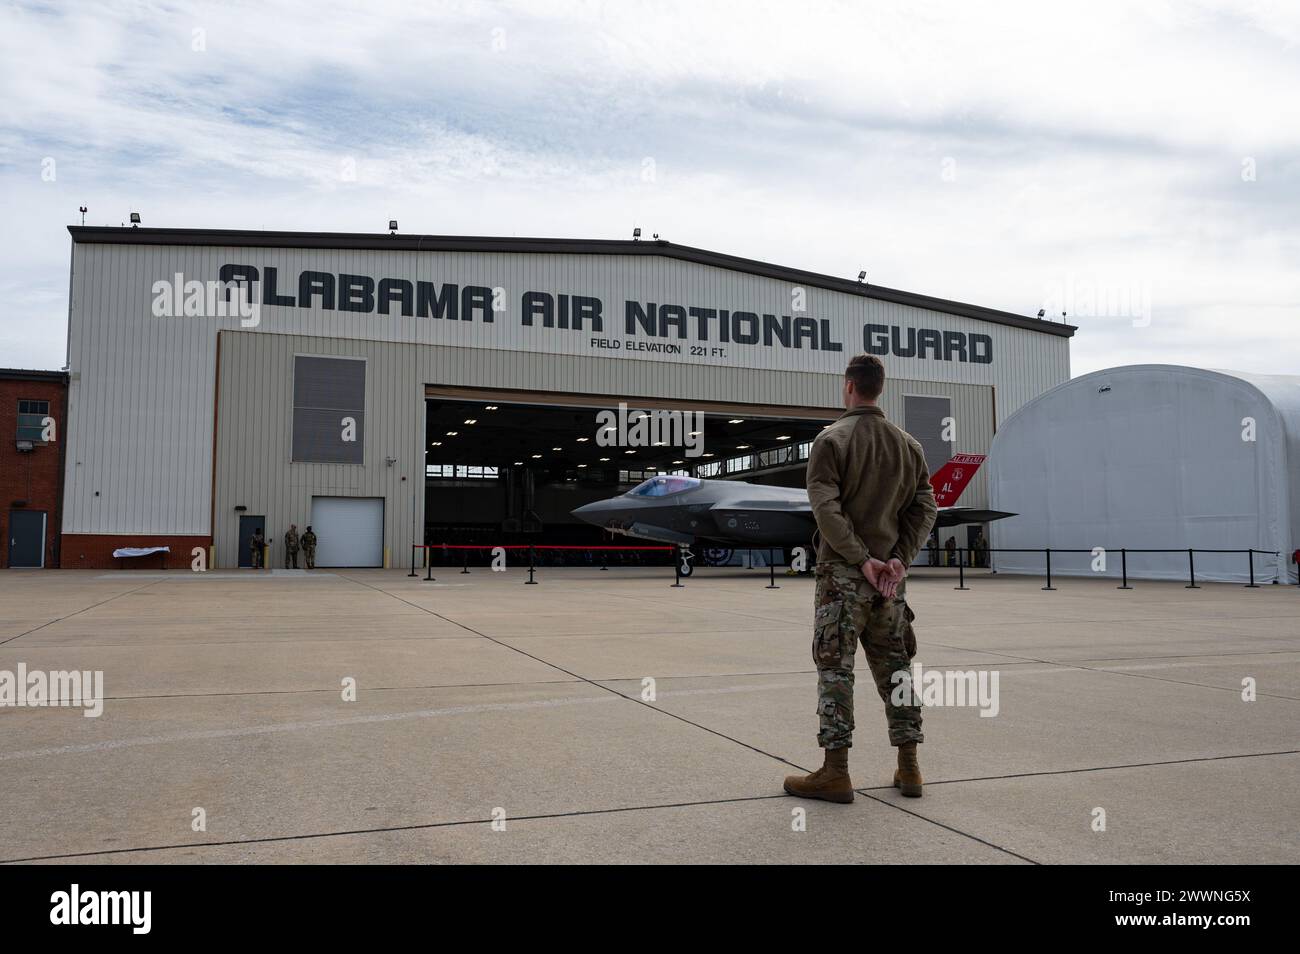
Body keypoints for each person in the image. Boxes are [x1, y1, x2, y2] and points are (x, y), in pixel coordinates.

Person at [783, 353, 937, 803]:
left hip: (842, 578)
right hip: (890, 581)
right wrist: (898, 559)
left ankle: (835, 772)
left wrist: (859, 558)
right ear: (879, 388)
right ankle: (910, 769)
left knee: (836, 669)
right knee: (898, 670)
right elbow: (925, 507)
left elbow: (824, 507)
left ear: (849, 386)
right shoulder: (908, 445)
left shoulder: (832, 440)